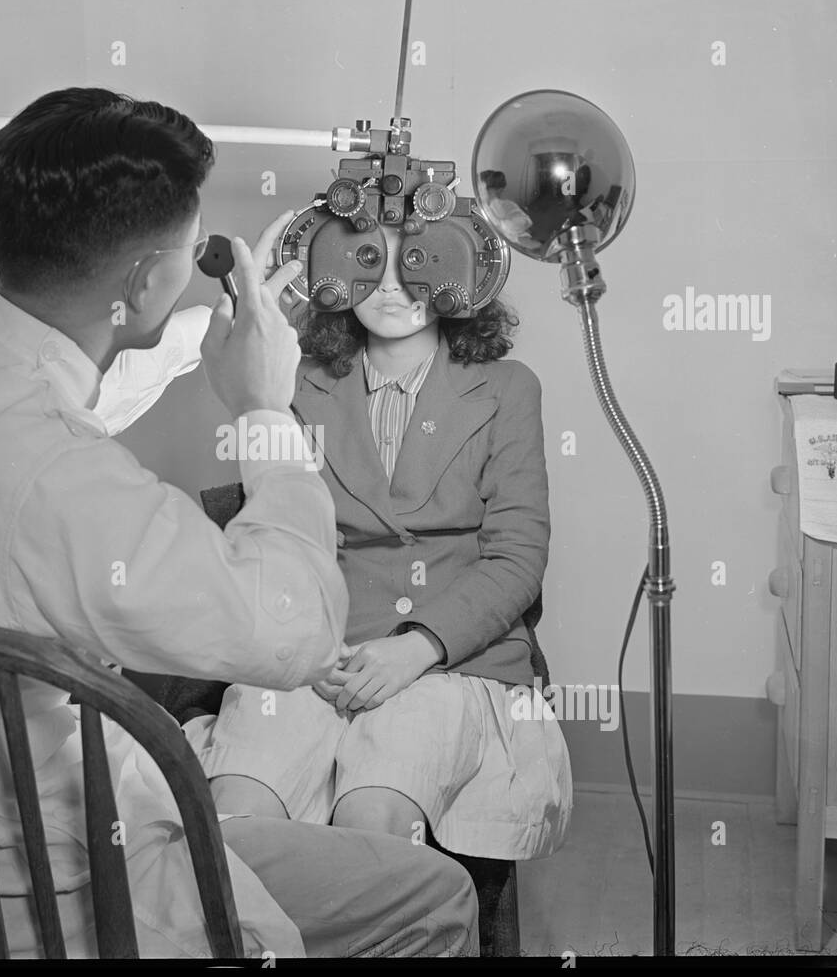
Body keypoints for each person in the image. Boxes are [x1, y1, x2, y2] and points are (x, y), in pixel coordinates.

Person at [0, 87, 478, 959]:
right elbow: (295, 630)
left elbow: (47, 426)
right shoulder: (71, 480)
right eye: (188, 257)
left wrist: (200, 338)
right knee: (434, 892)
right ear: (148, 278)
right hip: (68, 905)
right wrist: (264, 408)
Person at [198, 221, 573, 863]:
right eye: (369, 262)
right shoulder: (290, 381)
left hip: (450, 661)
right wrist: (309, 649)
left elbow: (518, 559)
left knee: (375, 818)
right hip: (317, 654)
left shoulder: (509, 387)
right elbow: (277, 535)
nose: (394, 285)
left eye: (419, 264)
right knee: (236, 810)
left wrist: (416, 649)